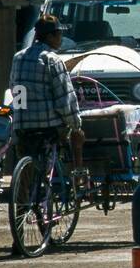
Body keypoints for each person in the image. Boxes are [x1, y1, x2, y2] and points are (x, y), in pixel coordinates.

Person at [10, 13, 85, 167]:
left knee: (28, 166)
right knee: (76, 136)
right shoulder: (52, 60)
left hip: (22, 126)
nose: (61, 39)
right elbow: (65, 99)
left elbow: (16, 90)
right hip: (48, 128)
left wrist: (21, 116)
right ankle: (70, 176)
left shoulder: (18, 57)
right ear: (50, 37)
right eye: (59, 34)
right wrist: (76, 125)